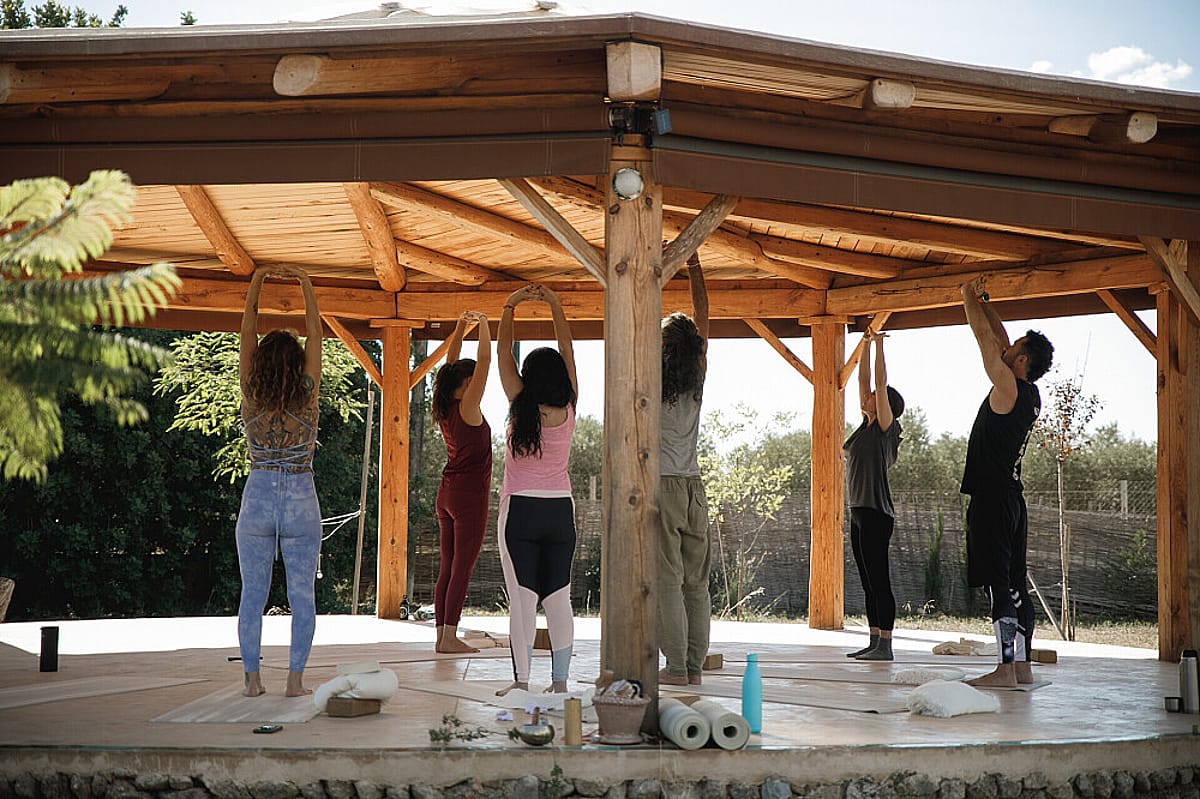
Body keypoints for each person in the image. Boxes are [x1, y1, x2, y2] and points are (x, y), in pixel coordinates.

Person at [960, 277, 1054, 688]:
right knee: (1016, 582)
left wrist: (967, 299)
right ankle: (1023, 668)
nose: (1007, 345)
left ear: (1021, 360)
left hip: (993, 500)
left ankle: (1004, 670)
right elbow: (998, 338)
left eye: (1015, 346)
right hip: (1013, 498)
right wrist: (984, 300)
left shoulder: (1008, 388)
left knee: (999, 584)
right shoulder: (1029, 394)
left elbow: (985, 342)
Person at [237, 265, 323, 698]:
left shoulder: (251, 391)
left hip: (258, 492)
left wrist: (257, 283)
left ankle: (252, 680)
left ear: (261, 363)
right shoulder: (307, 392)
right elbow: (316, 336)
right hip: (300, 495)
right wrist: (306, 285)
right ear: (297, 363)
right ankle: (295, 681)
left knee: (252, 595)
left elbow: (246, 333)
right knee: (302, 595)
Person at [495, 284, 578, 696]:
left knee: (523, 600)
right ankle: (560, 684)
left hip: (521, 511)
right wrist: (555, 304)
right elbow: (568, 350)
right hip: (560, 511)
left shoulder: (521, 403)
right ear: (560, 376)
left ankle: (522, 682)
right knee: (559, 598)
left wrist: (511, 306)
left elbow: (502, 355)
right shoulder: (569, 405)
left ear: (528, 378)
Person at [657, 254, 712, 687]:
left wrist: (652, 273)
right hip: (695, 487)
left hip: (664, 485)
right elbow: (703, 316)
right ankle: (694, 668)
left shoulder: (652, 379)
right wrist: (694, 268)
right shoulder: (698, 376)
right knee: (697, 583)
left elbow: (640, 320)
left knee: (669, 581)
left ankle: (675, 667)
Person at [430, 310, 492, 654]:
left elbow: (450, 364)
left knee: (448, 567)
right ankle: (450, 637)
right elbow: (485, 362)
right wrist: (483, 324)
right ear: (468, 382)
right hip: (468, 497)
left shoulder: (446, 407)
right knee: (462, 569)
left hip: (447, 494)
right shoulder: (468, 406)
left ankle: (442, 635)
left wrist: (459, 327)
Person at [842, 328, 904, 661]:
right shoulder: (865, 427)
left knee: (879, 580)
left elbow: (879, 384)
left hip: (877, 513)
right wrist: (863, 343)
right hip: (858, 511)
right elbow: (863, 380)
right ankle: (874, 640)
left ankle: (886, 646)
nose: (866, 397)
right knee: (867, 581)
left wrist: (879, 346)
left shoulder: (884, 430)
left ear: (885, 407)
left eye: (874, 398)